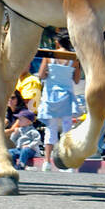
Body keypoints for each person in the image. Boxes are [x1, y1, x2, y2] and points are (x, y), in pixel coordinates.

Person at [37, 38, 79, 171]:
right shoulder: (74, 58)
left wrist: (50, 74)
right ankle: (67, 164)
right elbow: (77, 80)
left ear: (57, 42)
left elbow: (41, 75)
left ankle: (47, 162)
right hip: (66, 97)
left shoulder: (49, 56)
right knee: (67, 130)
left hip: (50, 96)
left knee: (51, 129)